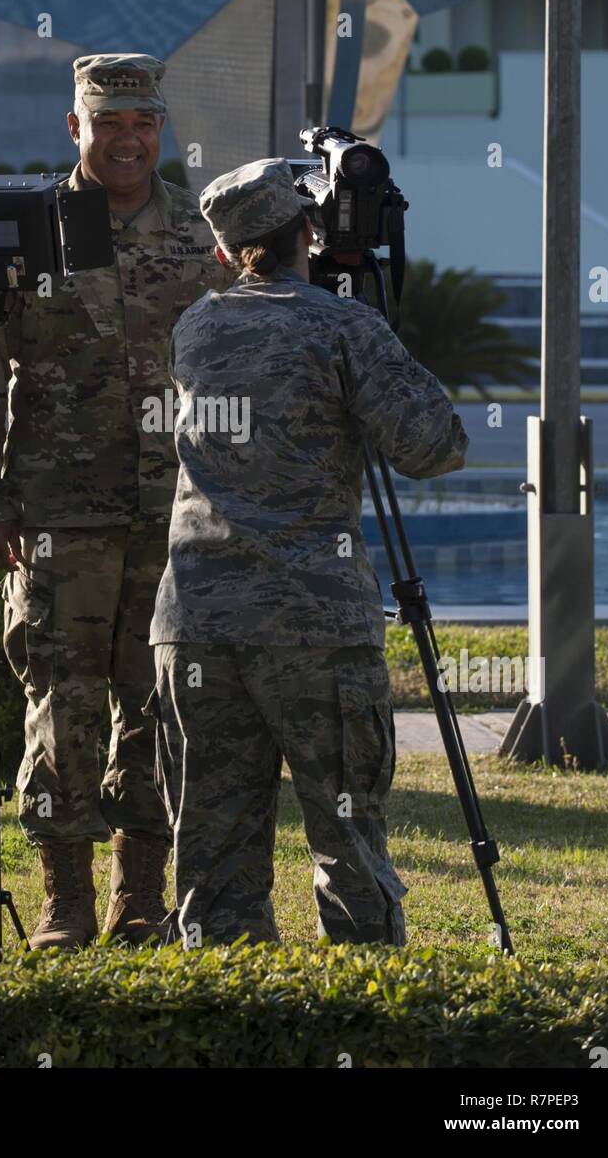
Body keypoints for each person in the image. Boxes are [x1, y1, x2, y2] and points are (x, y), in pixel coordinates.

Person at [0, 53, 229, 948]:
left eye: (142, 121)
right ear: (77, 128)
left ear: (160, 127)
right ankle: (64, 895)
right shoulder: (30, 229)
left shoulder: (201, 231)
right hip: (59, 506)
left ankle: (138, 893)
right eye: (108, 122)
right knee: (60, 699)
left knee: (155, 696)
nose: (128, 139)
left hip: (175, 505)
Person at [148, 157, 469, 947]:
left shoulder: (194, 327)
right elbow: (434, 446)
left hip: (194, 622)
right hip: (313, 623)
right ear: (308, 233)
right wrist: (373, 311)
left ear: (224, 253)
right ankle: (365, 1014)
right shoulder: (342, 325)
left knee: (212, 846)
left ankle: (229, 1011)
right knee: (348, 833)